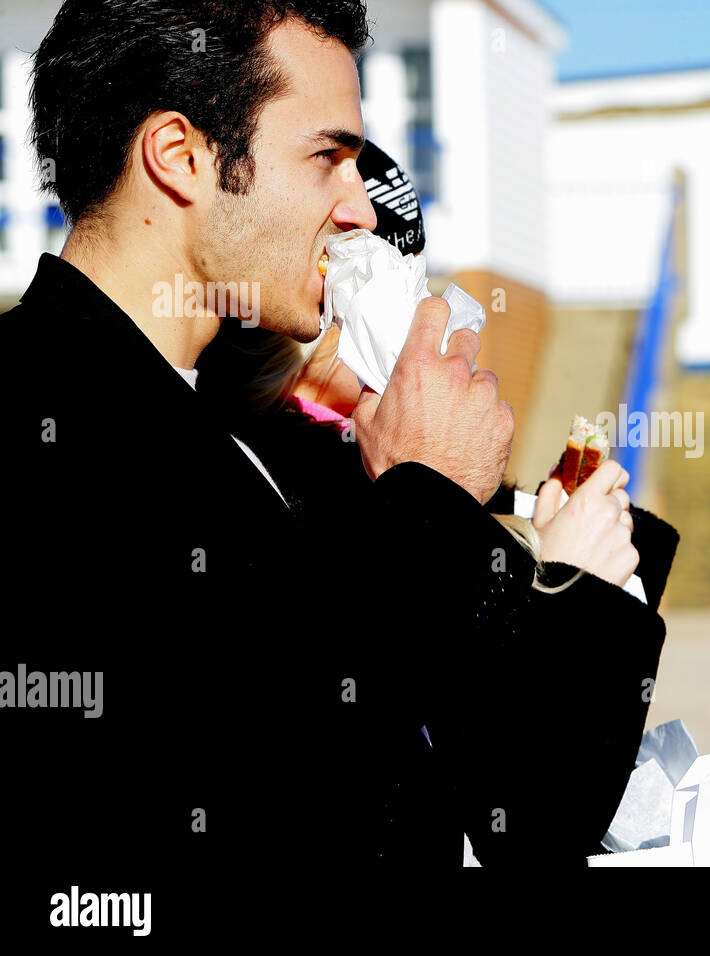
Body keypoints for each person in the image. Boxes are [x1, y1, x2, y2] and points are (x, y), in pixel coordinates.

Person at [3, 0, 671, 909]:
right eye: (328, 156)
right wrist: (429, 493)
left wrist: (571, 588)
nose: (360, 206)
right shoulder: (42, 423)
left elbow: (527, 810)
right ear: (180, 157)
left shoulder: (231, 437)